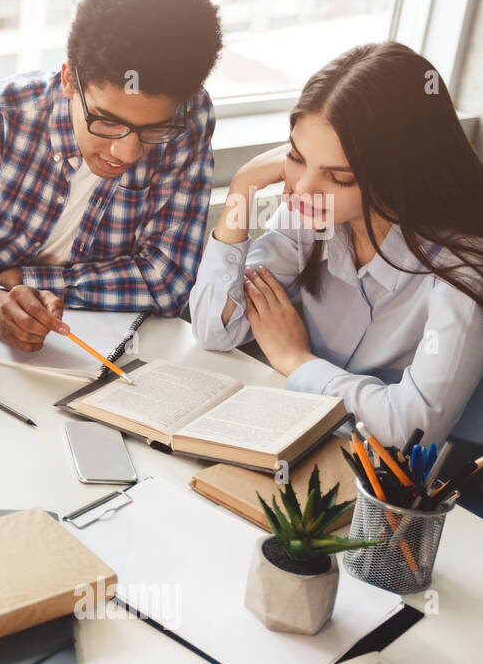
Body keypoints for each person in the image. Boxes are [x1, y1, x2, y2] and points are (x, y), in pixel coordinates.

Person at [190, 42, 483, 448]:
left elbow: (412, 429)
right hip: (307, 435)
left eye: (338, 176)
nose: (304, 188)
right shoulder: (315, 212)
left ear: (397, 176)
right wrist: (242, 188)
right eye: (296, 156)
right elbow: (214, 328)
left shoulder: (461, 269)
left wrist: (298, 361)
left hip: (399, 485)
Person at [0, 0, 222, 352]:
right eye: (107, 121)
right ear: (69, 80)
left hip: (121, 351)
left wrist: (28, 279)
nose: (127, 153)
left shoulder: (189, 117)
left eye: (154, 129)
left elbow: (170, 281)